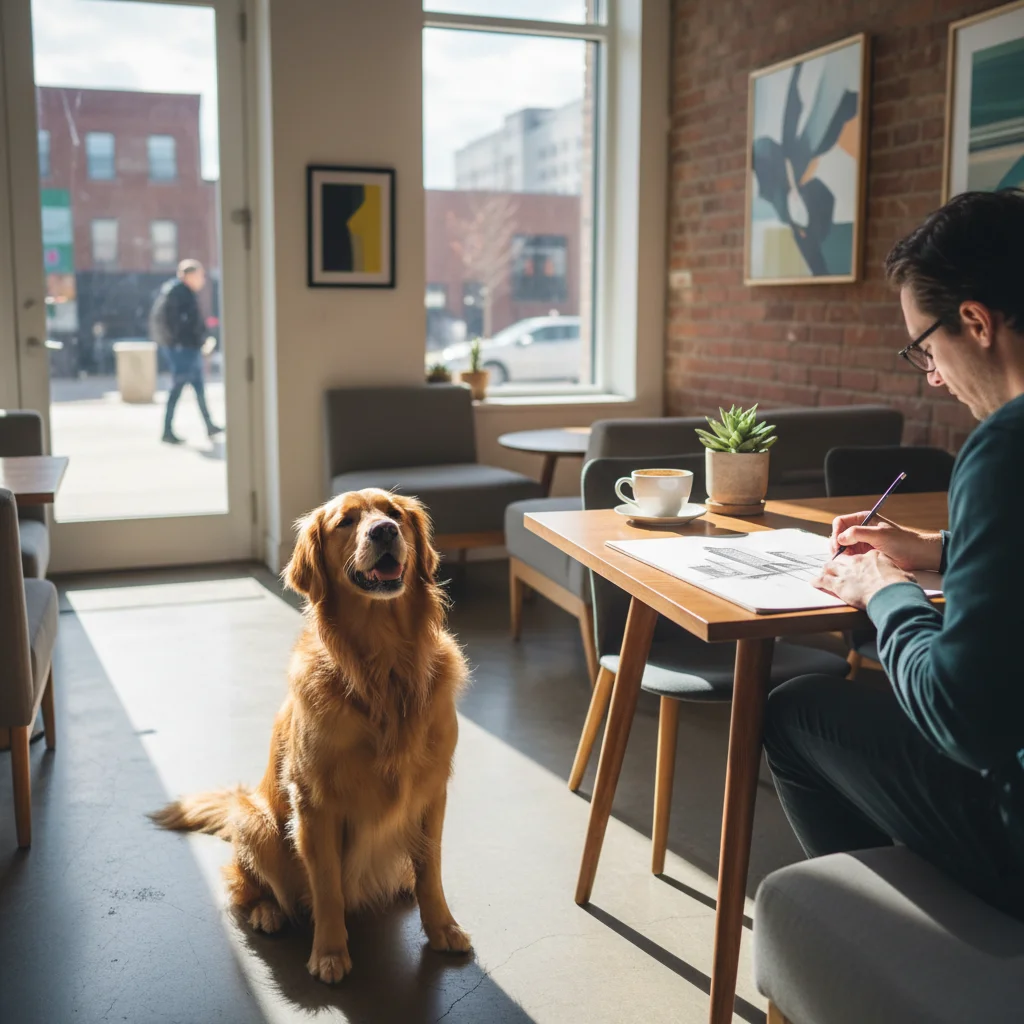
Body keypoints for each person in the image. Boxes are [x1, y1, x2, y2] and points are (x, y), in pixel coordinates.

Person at [763, 188, 1024, 921]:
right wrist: (940, 547)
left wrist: (882, 590)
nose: (933, 376)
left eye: (925, 348)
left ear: (974, 321)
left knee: (794, 713)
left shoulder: (1005, 445)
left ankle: (883, 944)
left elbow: (962, 720)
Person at [150, 259, 223, 444]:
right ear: (189, 276)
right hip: (183, 350)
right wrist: (183, 344)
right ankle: (167, 430)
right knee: (177, 388)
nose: (203, 280)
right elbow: (178, 324)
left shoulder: (183, 293)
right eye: (200, 275)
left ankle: (208, 425)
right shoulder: (177, 293)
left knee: (198, 387)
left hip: (188, 348)